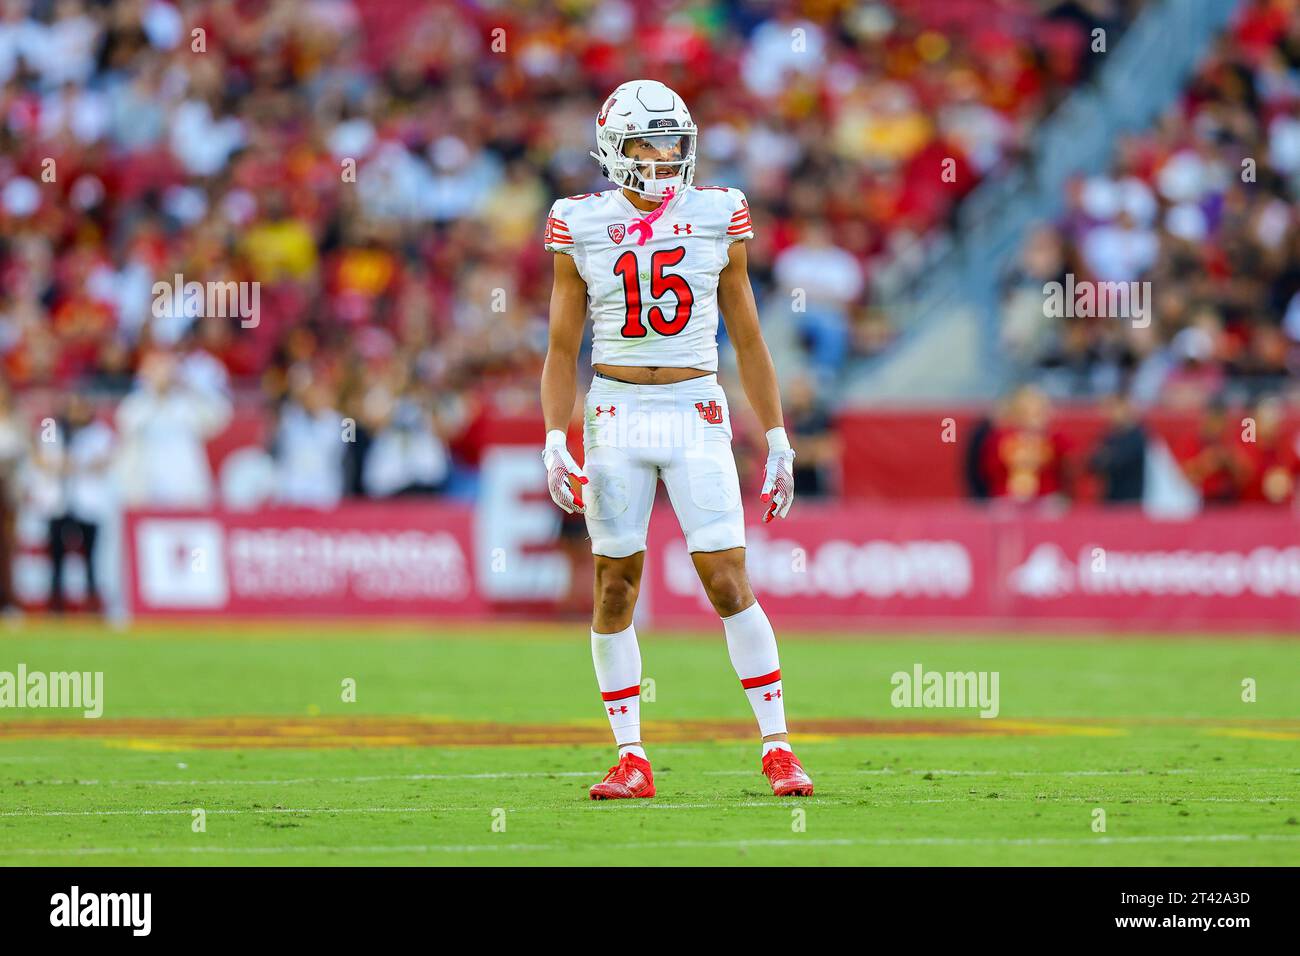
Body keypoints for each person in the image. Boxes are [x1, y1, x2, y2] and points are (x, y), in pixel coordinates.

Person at [539, 80, 813, 800]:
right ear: (613, 151)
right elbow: (561, 345)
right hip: (616, 412)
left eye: (673, 143)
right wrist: (552, 436)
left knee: (726, 577)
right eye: (648, 144)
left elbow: (748, 338)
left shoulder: (718, 212)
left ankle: (779, 747)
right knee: (613, 587)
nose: (664, 157)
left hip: (694, 406)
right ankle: (631, 755)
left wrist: (778, 438)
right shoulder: (579, 221)